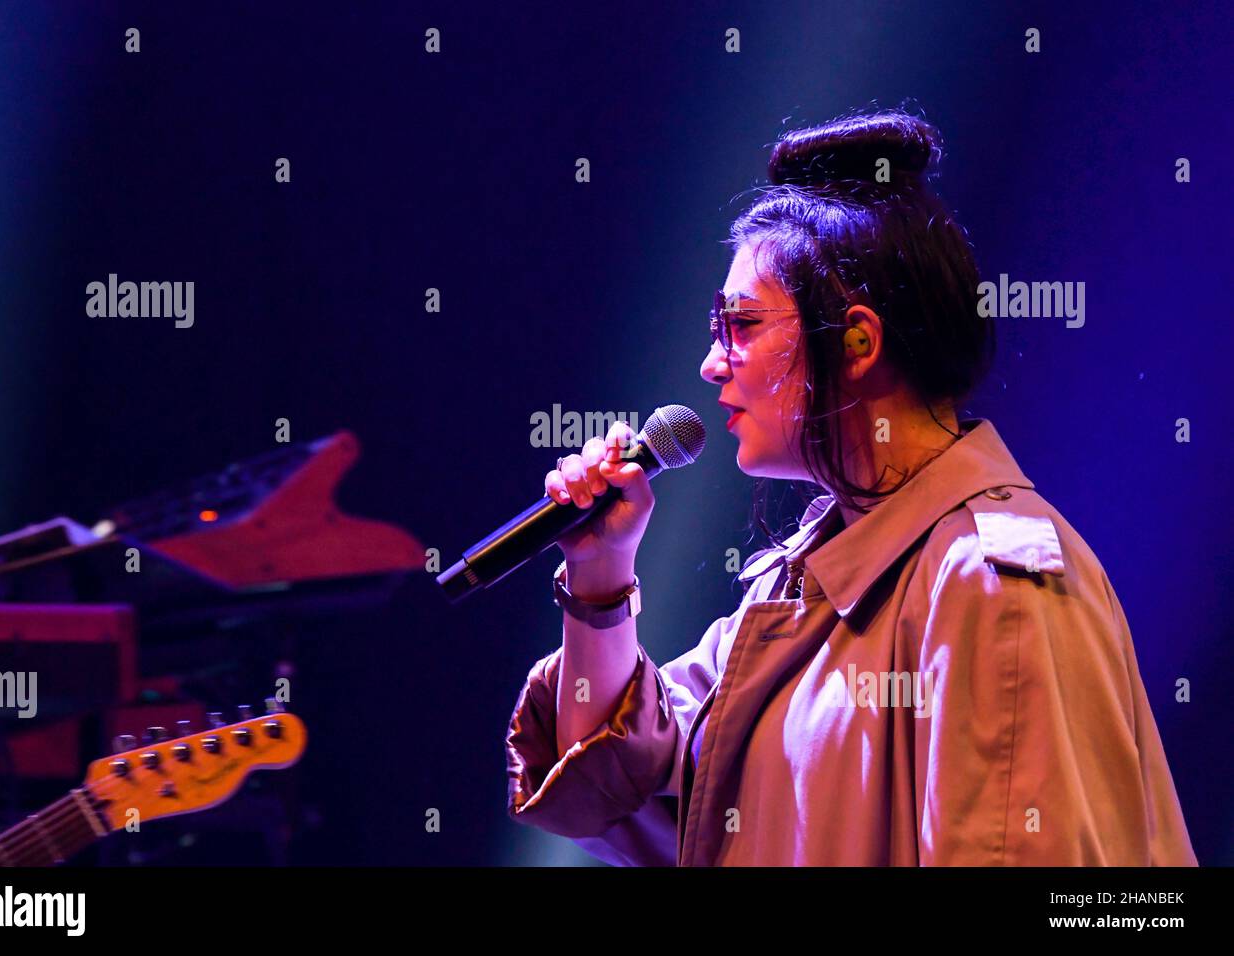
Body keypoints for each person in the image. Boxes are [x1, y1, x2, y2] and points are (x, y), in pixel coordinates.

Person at [503, 109, 1197, 866]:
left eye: (741, 325)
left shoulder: (992, 582)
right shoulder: (797, 588)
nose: (710, 364)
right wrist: (601, 575)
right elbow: (613, 785)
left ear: (859, 342)